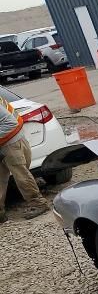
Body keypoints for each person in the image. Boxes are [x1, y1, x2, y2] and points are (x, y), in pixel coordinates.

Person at [0, 94, 49, 222]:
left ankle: (38, 203)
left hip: (10, 142)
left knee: (21, 175)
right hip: (6, 141)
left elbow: (10, 123)